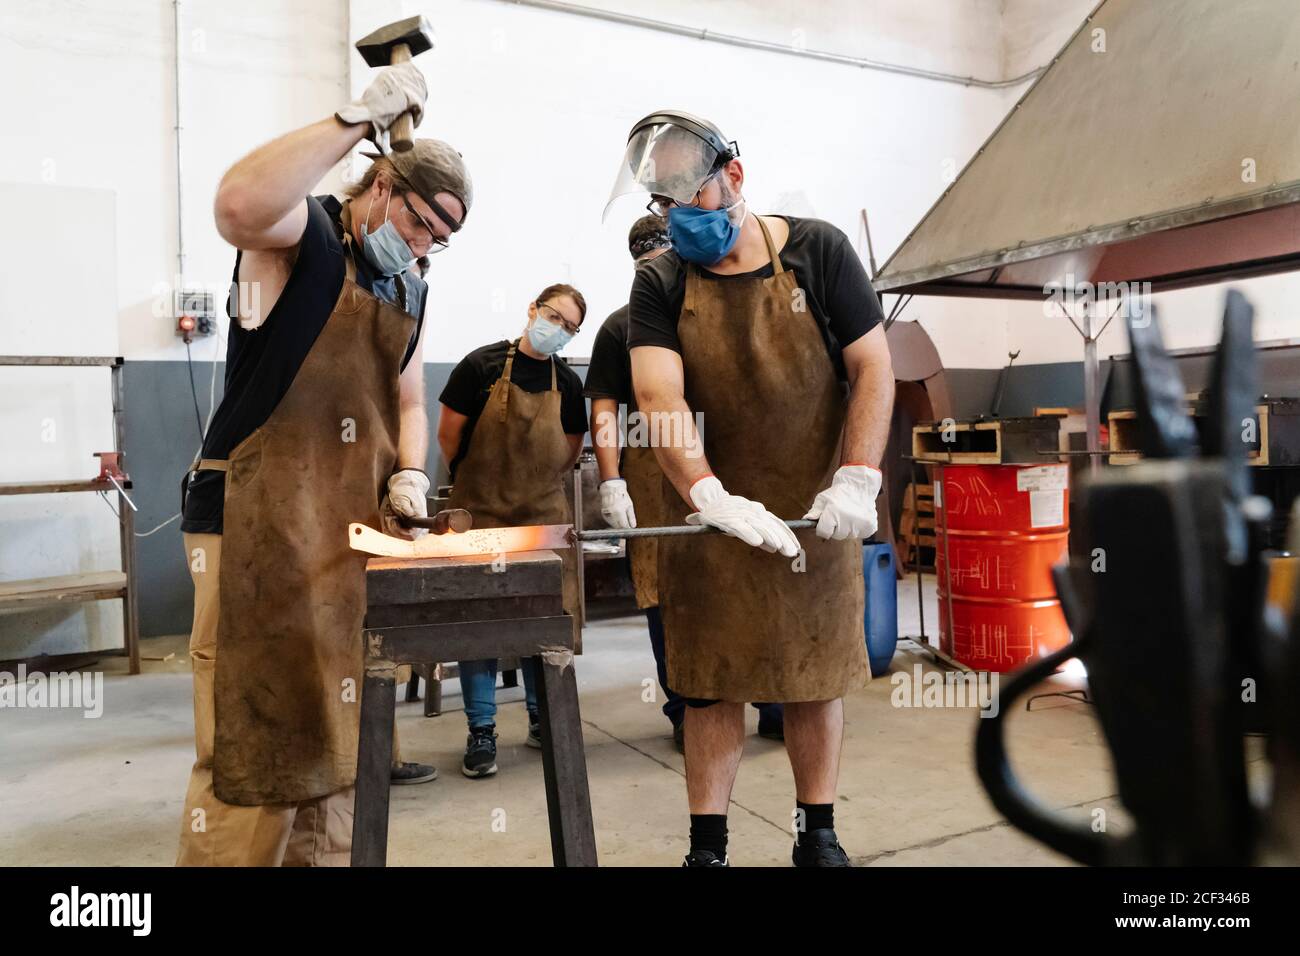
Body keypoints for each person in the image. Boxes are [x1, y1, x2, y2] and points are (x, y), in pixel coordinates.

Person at [174, 61, 472, 865]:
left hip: (346, 541)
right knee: (257, 743)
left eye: (439, 241)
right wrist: (354, 116)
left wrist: (411, 471)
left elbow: (410, 402)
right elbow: (237, 202)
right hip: (253, 529)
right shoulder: (298, 238)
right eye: (418, 226)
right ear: (379, 184)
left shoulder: (406, 285)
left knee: (340, 743)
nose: (422, 248)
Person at [611, 110, 894, 867]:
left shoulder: (818, 251)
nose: (681, 222)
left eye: (692, 201)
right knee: (709, 688)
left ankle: (818, 834)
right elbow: (659, 400)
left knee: (812, 677)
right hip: (713, 525)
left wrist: (858, 479)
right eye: (665, 208)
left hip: (816, 516)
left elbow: (873, 368)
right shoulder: (661, 280)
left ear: (734, 176)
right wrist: (708, 496)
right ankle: (709, 847)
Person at [585, 215, 784, 753]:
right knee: (663, 592)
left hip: (730, 462)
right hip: (653, 473)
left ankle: (772, 700)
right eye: (646, 264)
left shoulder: (719, 310)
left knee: (750, 574)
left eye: (665, 259)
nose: (658, 272)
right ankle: (684, 706)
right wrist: (612, 480)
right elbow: (605, 405)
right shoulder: (619, 326)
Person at [436, 285, 590, 777]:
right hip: (478, 515)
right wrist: (477, 483)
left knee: (540, 621)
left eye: (569, 327)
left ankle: (541, 718)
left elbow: (569, 447)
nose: (557, 330)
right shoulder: (478, 367)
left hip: (541, 520)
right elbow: (448, 436)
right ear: (532, 310)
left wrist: (534, 484)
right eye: (553, 317)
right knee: (478, 624)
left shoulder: (566, 382)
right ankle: (481, 730)